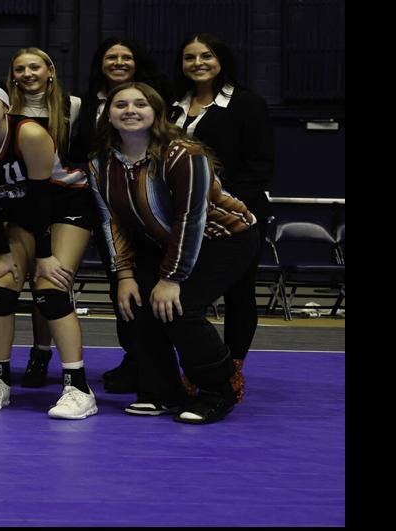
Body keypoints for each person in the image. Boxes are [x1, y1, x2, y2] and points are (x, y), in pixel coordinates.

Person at [89, 82, 255, 424]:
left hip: (225, 238)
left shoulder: (184, 154)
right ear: (109, 115)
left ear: (156, 113)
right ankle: (161, 392)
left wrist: (171, 278)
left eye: (140, 104)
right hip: (166, 242)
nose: (130, 110)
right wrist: (124, 276)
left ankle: (219, 390)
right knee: (134, 304)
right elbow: (111, 221)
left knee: (180, 308)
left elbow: (190, 219)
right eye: (120, 104)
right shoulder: (99, 163)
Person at [0, 83, 98, 420]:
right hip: (15, 213)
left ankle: (78, 388)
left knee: (51, 291)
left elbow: (42, 197)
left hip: (63, 207)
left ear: (4, 107)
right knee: (0, 288)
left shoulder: (28, 133)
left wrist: (44, 256)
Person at [168, 33, 274, 398]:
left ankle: (232, 369)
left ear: (221, 60)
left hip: (235, 217)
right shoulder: (171, 106)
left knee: (239, 293)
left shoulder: (247, 104)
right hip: (182, 218)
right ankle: (197, 363)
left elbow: (260, 167)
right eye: (189, 57)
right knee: (184, 294)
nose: (197, 63)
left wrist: (218, 202)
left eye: (206, 56)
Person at [67, 36, 172, 393]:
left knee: (154, 287)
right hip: (107, 203)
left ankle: (160, 363)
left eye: (126, 57)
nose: (118, 62)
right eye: (111, 57)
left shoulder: (156, 101)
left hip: (151, 209)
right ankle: (134, 357)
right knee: (121, 285)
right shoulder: (87, 103)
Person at [5, 47, 83, 389]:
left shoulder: (75, 106)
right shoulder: (5, 108)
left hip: (65, 199)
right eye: (19, 68)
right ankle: (3, 365)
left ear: (49, 70)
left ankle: (42, 353)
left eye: (34, 67)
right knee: (9, 281)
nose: (27, 73)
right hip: (22, 201)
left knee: (49, 283)